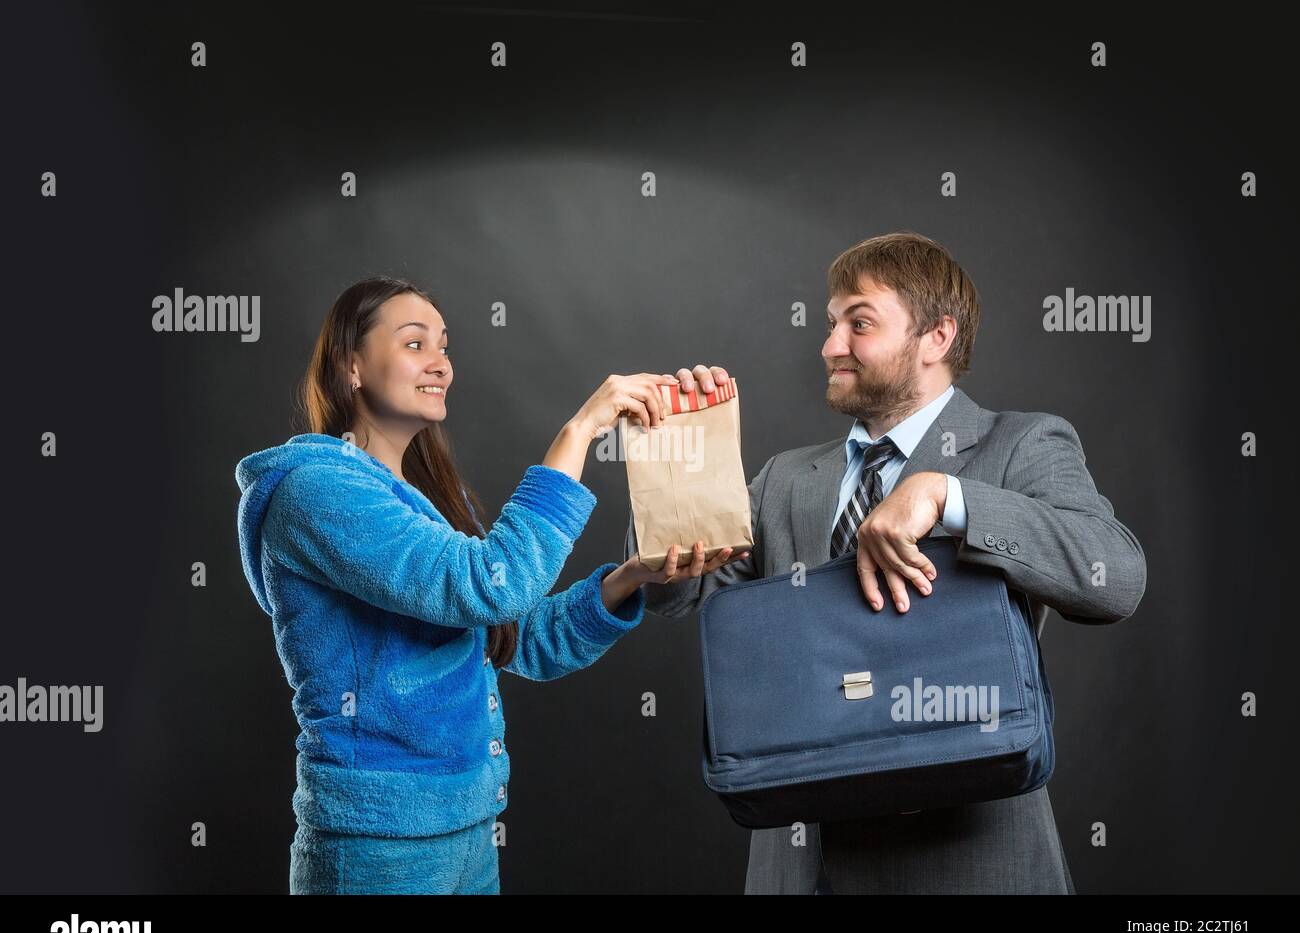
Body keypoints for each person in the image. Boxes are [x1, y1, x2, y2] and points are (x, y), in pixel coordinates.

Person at [629, 232, 1146, 894]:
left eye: (859, 323)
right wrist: (679, 472)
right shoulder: (783, 479)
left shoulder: (1021, 445)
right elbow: (676, 596)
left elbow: (1117, 578)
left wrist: (945, 496)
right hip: (800, 865)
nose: (829, 346)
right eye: (830, 323)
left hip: (965, 861)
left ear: (936, 336)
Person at [235, 275, 746, 894]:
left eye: (445, 347)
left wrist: (630, 577)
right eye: (415, 344)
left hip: (469, 832)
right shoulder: (315, 493)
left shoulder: (425, 504)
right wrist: (578, 433)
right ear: (351, 366)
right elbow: (492, 585)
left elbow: (516, 637)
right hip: (376, 850)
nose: (441, 365)